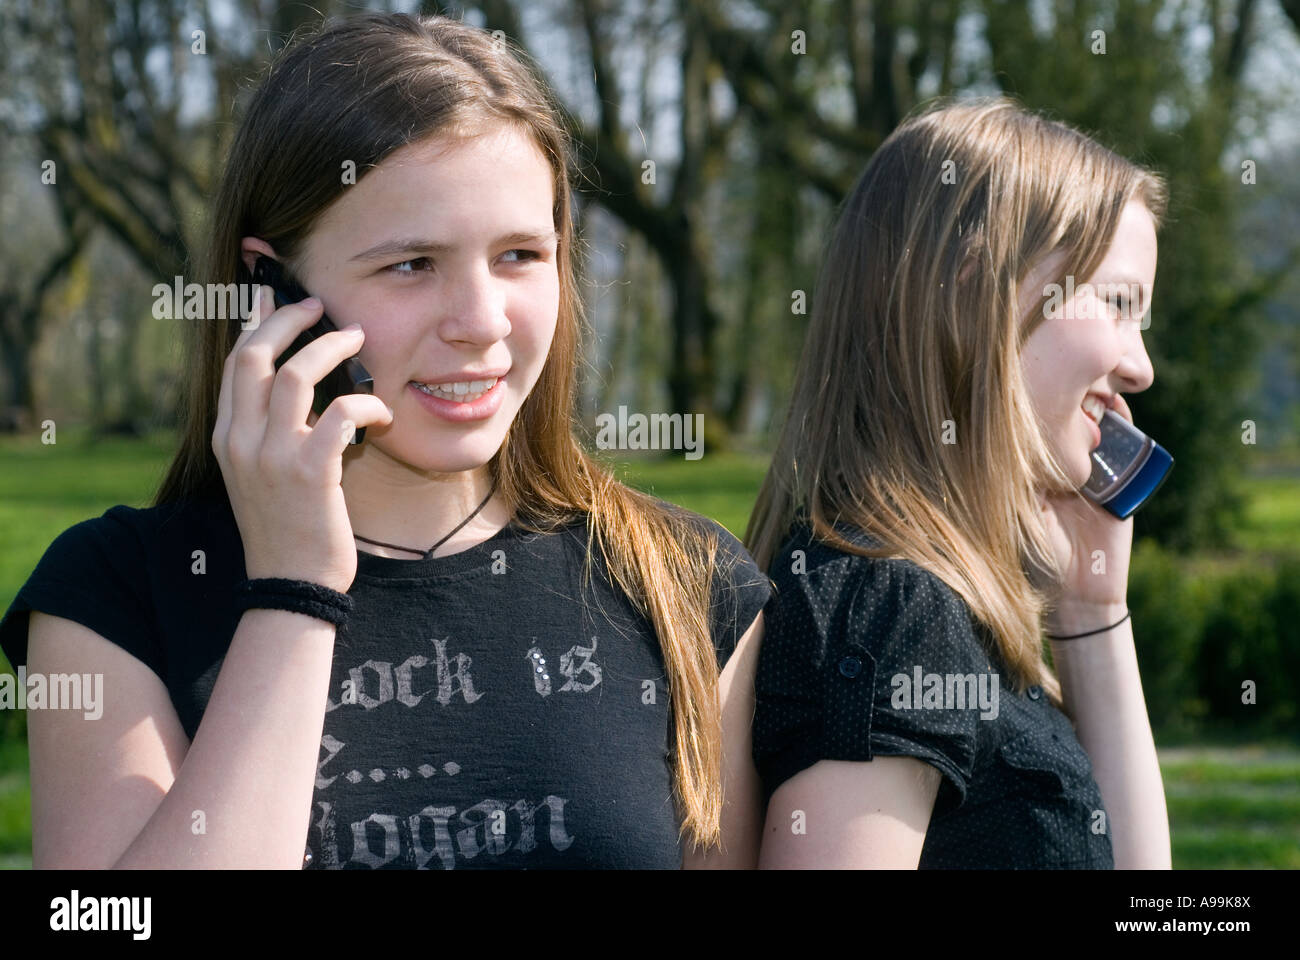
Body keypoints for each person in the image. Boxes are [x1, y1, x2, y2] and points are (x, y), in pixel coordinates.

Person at [0, 12, 769, 870]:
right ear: (269, 284)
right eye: (411, 265)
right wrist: (293, 593)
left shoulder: (686, 586)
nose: (480, 323)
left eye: (519, 255)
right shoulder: (112, 597)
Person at [744, 96, 1172, 868]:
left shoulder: (938, 603)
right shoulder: (891, 613)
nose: (1140, 367)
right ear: (975, 298)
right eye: (1117, 305)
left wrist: (1093, 607)